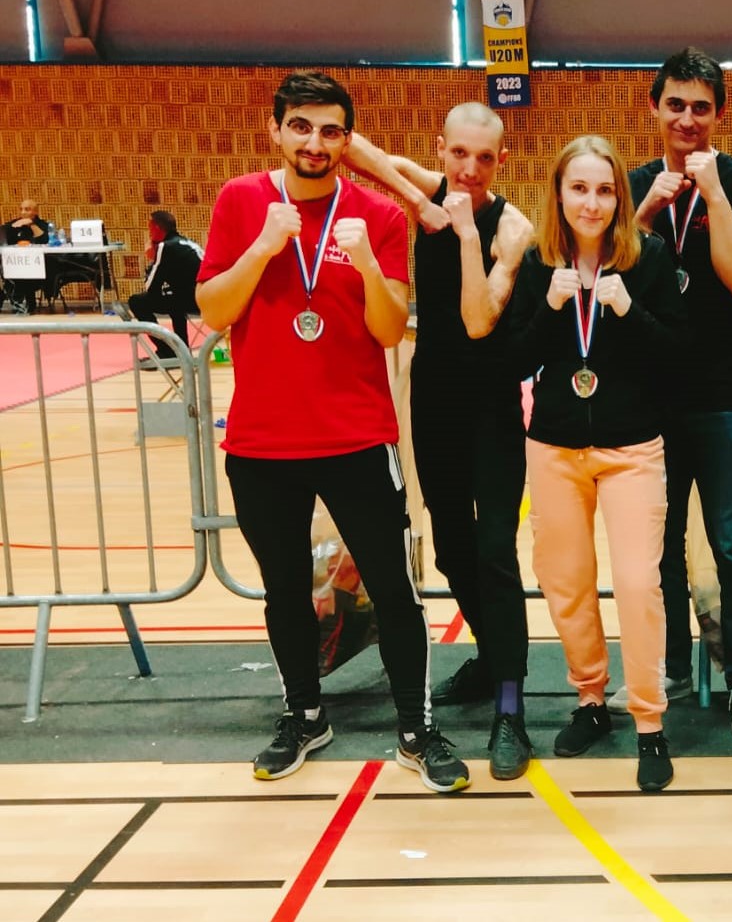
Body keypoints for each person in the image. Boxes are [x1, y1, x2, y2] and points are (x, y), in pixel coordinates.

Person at [196, 71, 469, 793]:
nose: (315, 142)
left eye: (330, 130)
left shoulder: (377, 215)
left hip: (357, 436)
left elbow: (388, 330)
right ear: (277, 130)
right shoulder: (240, 201)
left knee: (394, 587)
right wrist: (262, 248)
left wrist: (372, 264)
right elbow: (215, 310)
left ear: (348, 140)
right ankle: (304, 714)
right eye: (301, 127)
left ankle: (417, 726)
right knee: (284, 591)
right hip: (262, 443)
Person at [343, 103, 537, 781]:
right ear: (441, 148)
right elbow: (353, 147)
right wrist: (417, 198)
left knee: (494, 553)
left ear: (503, 162)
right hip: (434, 399)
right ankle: (491, 657)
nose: (470, 169)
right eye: (459, 154)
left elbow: (479, 320)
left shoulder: (512, 229)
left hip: (492, 406)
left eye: (485, 158)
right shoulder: (430, 187)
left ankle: (511, 709)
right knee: (452, 546)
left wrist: (459, 232)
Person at [505, 135, 686, 791]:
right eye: (579, 188)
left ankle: (649, 722)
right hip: (554, 447)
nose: (591, 201)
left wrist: (629, 309)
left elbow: (675, 355)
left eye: (604, 189)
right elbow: (513, 359)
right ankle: (590, 699)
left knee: (639, 584)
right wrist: (553, 309)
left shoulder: (651, 260)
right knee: (567, 582)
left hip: (632, 448)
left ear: (620, 197)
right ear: (559, 195)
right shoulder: (536, 265)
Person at [618, 47, 732, 741]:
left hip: (726, 395)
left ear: (719, 115)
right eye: (675, 104)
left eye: (701, 107)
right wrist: (646, 214)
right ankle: (667, 668)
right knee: (656, 545)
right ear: (653, 108)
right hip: (647, 398)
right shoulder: (628, 186)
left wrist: (710, 194)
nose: (687, 118)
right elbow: (609, 278)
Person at [129, 210, 204, 367]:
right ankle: (182, 351)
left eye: (149, 229)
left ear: (157, 228)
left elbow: (151, 286)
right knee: (174, 296)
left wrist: (152, 259)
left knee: (137, 301)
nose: (149, 234)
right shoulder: (186, 242)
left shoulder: (165, 246)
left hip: (193, 300)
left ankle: (167, 352)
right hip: (204, 297)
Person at [4, 199, 50, 314]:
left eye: (27, 209)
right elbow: (4, 240)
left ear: (35, 212)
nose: (23, 212)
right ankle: (20, 303)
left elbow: (45, 240)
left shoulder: (43, 225)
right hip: (15, 264)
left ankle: (24, 304)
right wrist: (11, 229)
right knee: (13, 273)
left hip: (38, 266)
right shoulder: (13, 224)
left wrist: (31, 225)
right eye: (21, 209)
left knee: (25, 274)